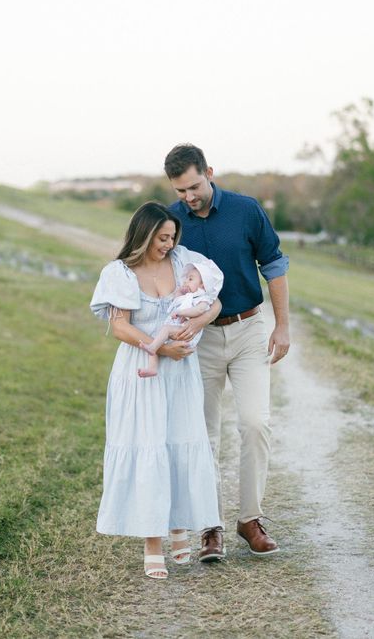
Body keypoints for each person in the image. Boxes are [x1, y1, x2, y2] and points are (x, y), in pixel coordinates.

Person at [165, 143, 291, 562]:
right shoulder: (173, 220)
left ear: (210, 172)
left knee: (255, 423)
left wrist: (283, 326)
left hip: (248, 328)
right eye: (181, 190)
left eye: (195, 186)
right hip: (196, 341)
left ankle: (250, 519)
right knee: (203, 433)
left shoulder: (246, 210)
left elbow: (273, 266)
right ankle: (210, 527)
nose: (189, 197)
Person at [89, 202, 224, 579]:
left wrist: (196, 322)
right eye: (162, 238)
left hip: (181, 372)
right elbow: (120, 327)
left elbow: (215, 303)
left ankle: (179, 526)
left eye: (172, 237)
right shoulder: (120, 272)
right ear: (144, 235)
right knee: (148, 446)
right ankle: (153, 542)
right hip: (140, 371)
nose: (169, 244)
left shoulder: (183, 261)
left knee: (179, 444)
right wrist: (161, 346)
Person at [138, 258, 224, 378]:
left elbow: (198, 310)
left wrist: (181, 313)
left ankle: (152, 348)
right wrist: (179, 293)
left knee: (163, 333)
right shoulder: (187, 297)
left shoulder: (203, 298)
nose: (186, 281)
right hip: (177, 328)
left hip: (186, 332)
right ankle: (152, 367)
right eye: (186, 278)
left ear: (202, 284)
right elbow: (175, 301)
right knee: (156, 337)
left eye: (190, 279)